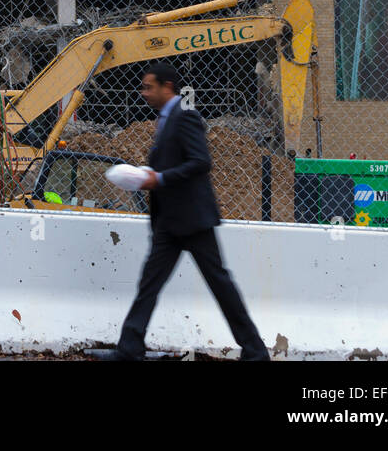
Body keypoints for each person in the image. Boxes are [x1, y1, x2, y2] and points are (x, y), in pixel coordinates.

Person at [92, 61, 270, 362]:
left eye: (149, 86)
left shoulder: (185, 116)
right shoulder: (166, 119)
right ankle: (129, 348)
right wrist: (150, 173)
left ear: (167, 87)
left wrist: (157, 178)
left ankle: (255, 351)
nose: (143, 93)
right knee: (150, 284)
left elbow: (201, 162)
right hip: (171, 222)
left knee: (220, 285)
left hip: (192, 220)